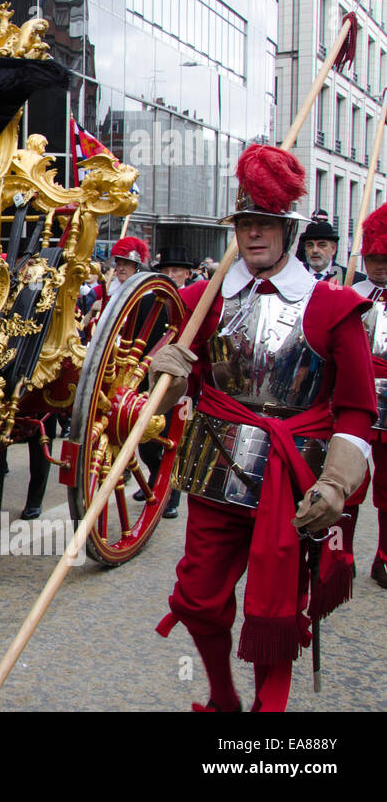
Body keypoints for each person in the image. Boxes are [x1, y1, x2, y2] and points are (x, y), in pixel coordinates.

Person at [148, 145, 374, 712]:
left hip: (294, 480)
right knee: (198, 600)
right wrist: (165, 370)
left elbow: (356, 409)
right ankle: (222, 698)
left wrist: (338, 483)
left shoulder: (332, 308)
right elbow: (162, 394)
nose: (253, 235)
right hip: (216, 468)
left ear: (287, 229)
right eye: (245, 224)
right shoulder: (202, 302)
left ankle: (267, 720)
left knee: (277, 610)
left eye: (264, 224)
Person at [350, 203, 387, 589]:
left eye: (386, 258)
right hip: (358, 399)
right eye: (373, 258)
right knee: (350, 481)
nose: (379, 266)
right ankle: (339, 555)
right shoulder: (353, 293)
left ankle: (385, 557)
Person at [301, 218, 362, 284]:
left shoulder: (352, 279)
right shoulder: (294, 275)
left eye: (321, 245)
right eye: (310, 245)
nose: (315, 250)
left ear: (333, 248)